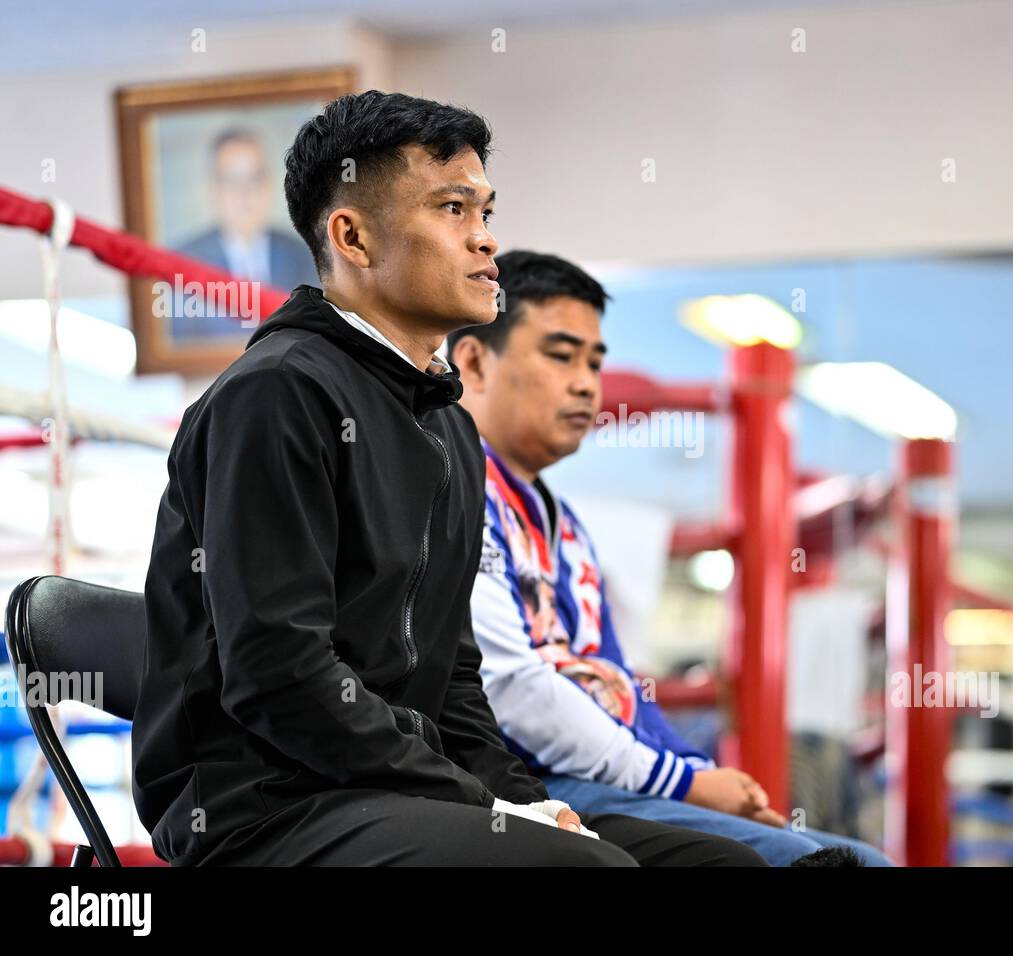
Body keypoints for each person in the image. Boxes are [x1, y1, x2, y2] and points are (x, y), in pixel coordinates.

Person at [131, 91, 764, 868]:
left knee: (722, 864)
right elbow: (277, 675)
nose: (485, 239)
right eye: (452, 209)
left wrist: (524, 800)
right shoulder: (277, 394)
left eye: (485, 210)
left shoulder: (446, 424)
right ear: (353, 235)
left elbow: (454, 677)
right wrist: (477, 802)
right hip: (262, 810)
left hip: (396, 793)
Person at [449, 249, 891, 866]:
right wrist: (682, 783)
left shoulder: (560, 522)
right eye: (559, 355)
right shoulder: (453, 489)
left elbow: (613, 680)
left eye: (594, 363)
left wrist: (696, 773)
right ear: (473, 360)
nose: (585, 383)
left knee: (854, 857)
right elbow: (512, 687)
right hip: (523, 784)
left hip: (600, 778)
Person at [171, 128, 318, 340]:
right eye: (232, 179)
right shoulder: (184, 262)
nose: (245, 193)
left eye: (255, 178)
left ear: (269, 185)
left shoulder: (305, 255)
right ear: (213, 190)